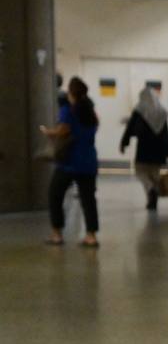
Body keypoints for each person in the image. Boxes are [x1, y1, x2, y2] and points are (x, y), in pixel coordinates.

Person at [41, 77, 100, 247]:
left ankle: (57, 233)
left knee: (55, 194)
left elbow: (63, 130)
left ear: (72, 93)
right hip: (88, 160)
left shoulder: (68, 110)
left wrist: (47, 132)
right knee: (88, 199)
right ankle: (91, 235)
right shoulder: (90, 111)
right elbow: (94, 126)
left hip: (69, 161)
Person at [119, 86, 168, 210]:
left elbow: (130, 127)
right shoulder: (162, 111)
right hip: (159, 149)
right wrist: (167, 151)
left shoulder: (140, 109)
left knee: (140, 171)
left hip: (144, 146)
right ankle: (152, 201)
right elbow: (166, 133)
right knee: (155, 175)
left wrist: (124, 143)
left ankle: (150, 191)